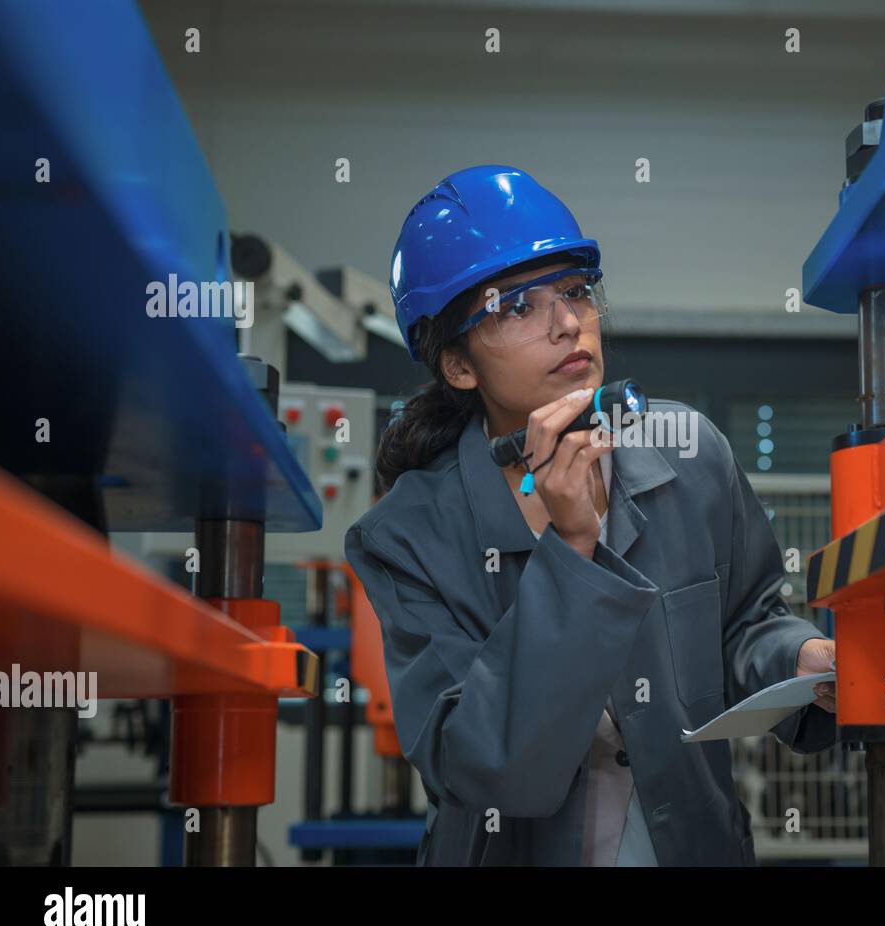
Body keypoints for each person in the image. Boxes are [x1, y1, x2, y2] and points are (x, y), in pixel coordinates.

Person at [345, 164, 837, 866]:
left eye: (576, 292)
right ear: (457, 365)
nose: (567, 322)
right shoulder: (409, 534)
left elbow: (745, 623)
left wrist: (801, 657)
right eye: (517, 306)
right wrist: (571, 547)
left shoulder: (689, 455)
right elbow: (480, 763)